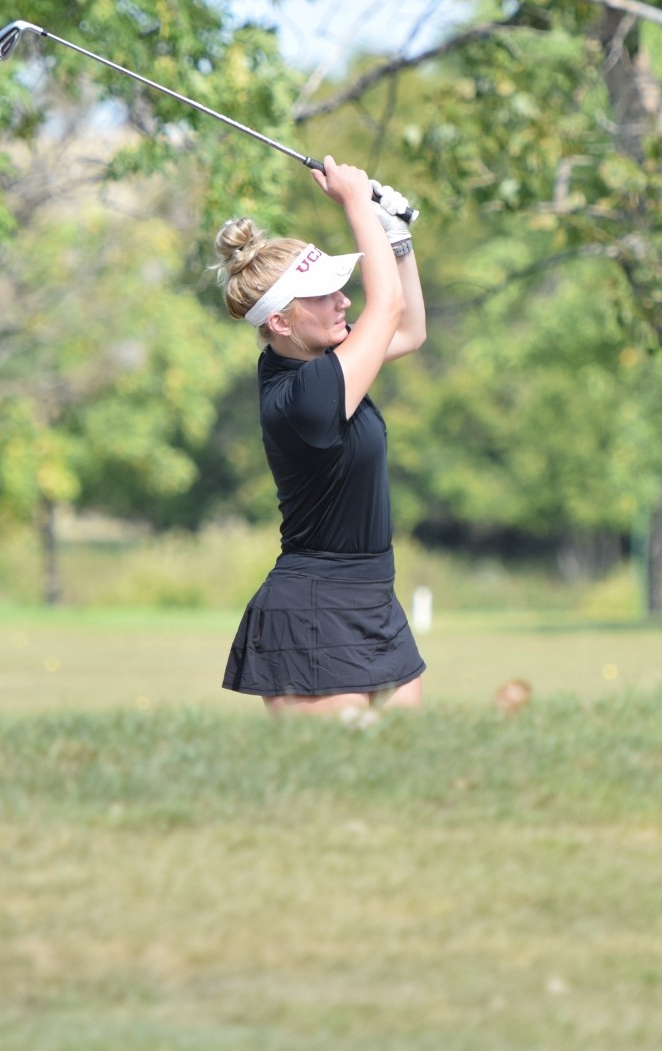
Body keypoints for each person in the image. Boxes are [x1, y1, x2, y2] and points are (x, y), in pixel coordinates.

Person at [213, 156, 428, 715]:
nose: (344, 300)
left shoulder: (321, 359)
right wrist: (357, 203)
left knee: (412, 779)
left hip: (374, 598)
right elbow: (389, 308)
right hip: (312, 612)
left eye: (340, 287)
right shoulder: (303, 397)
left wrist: (396, 238)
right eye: (325, 294)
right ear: (280, 323)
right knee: (331, 792)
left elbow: (407, 330)